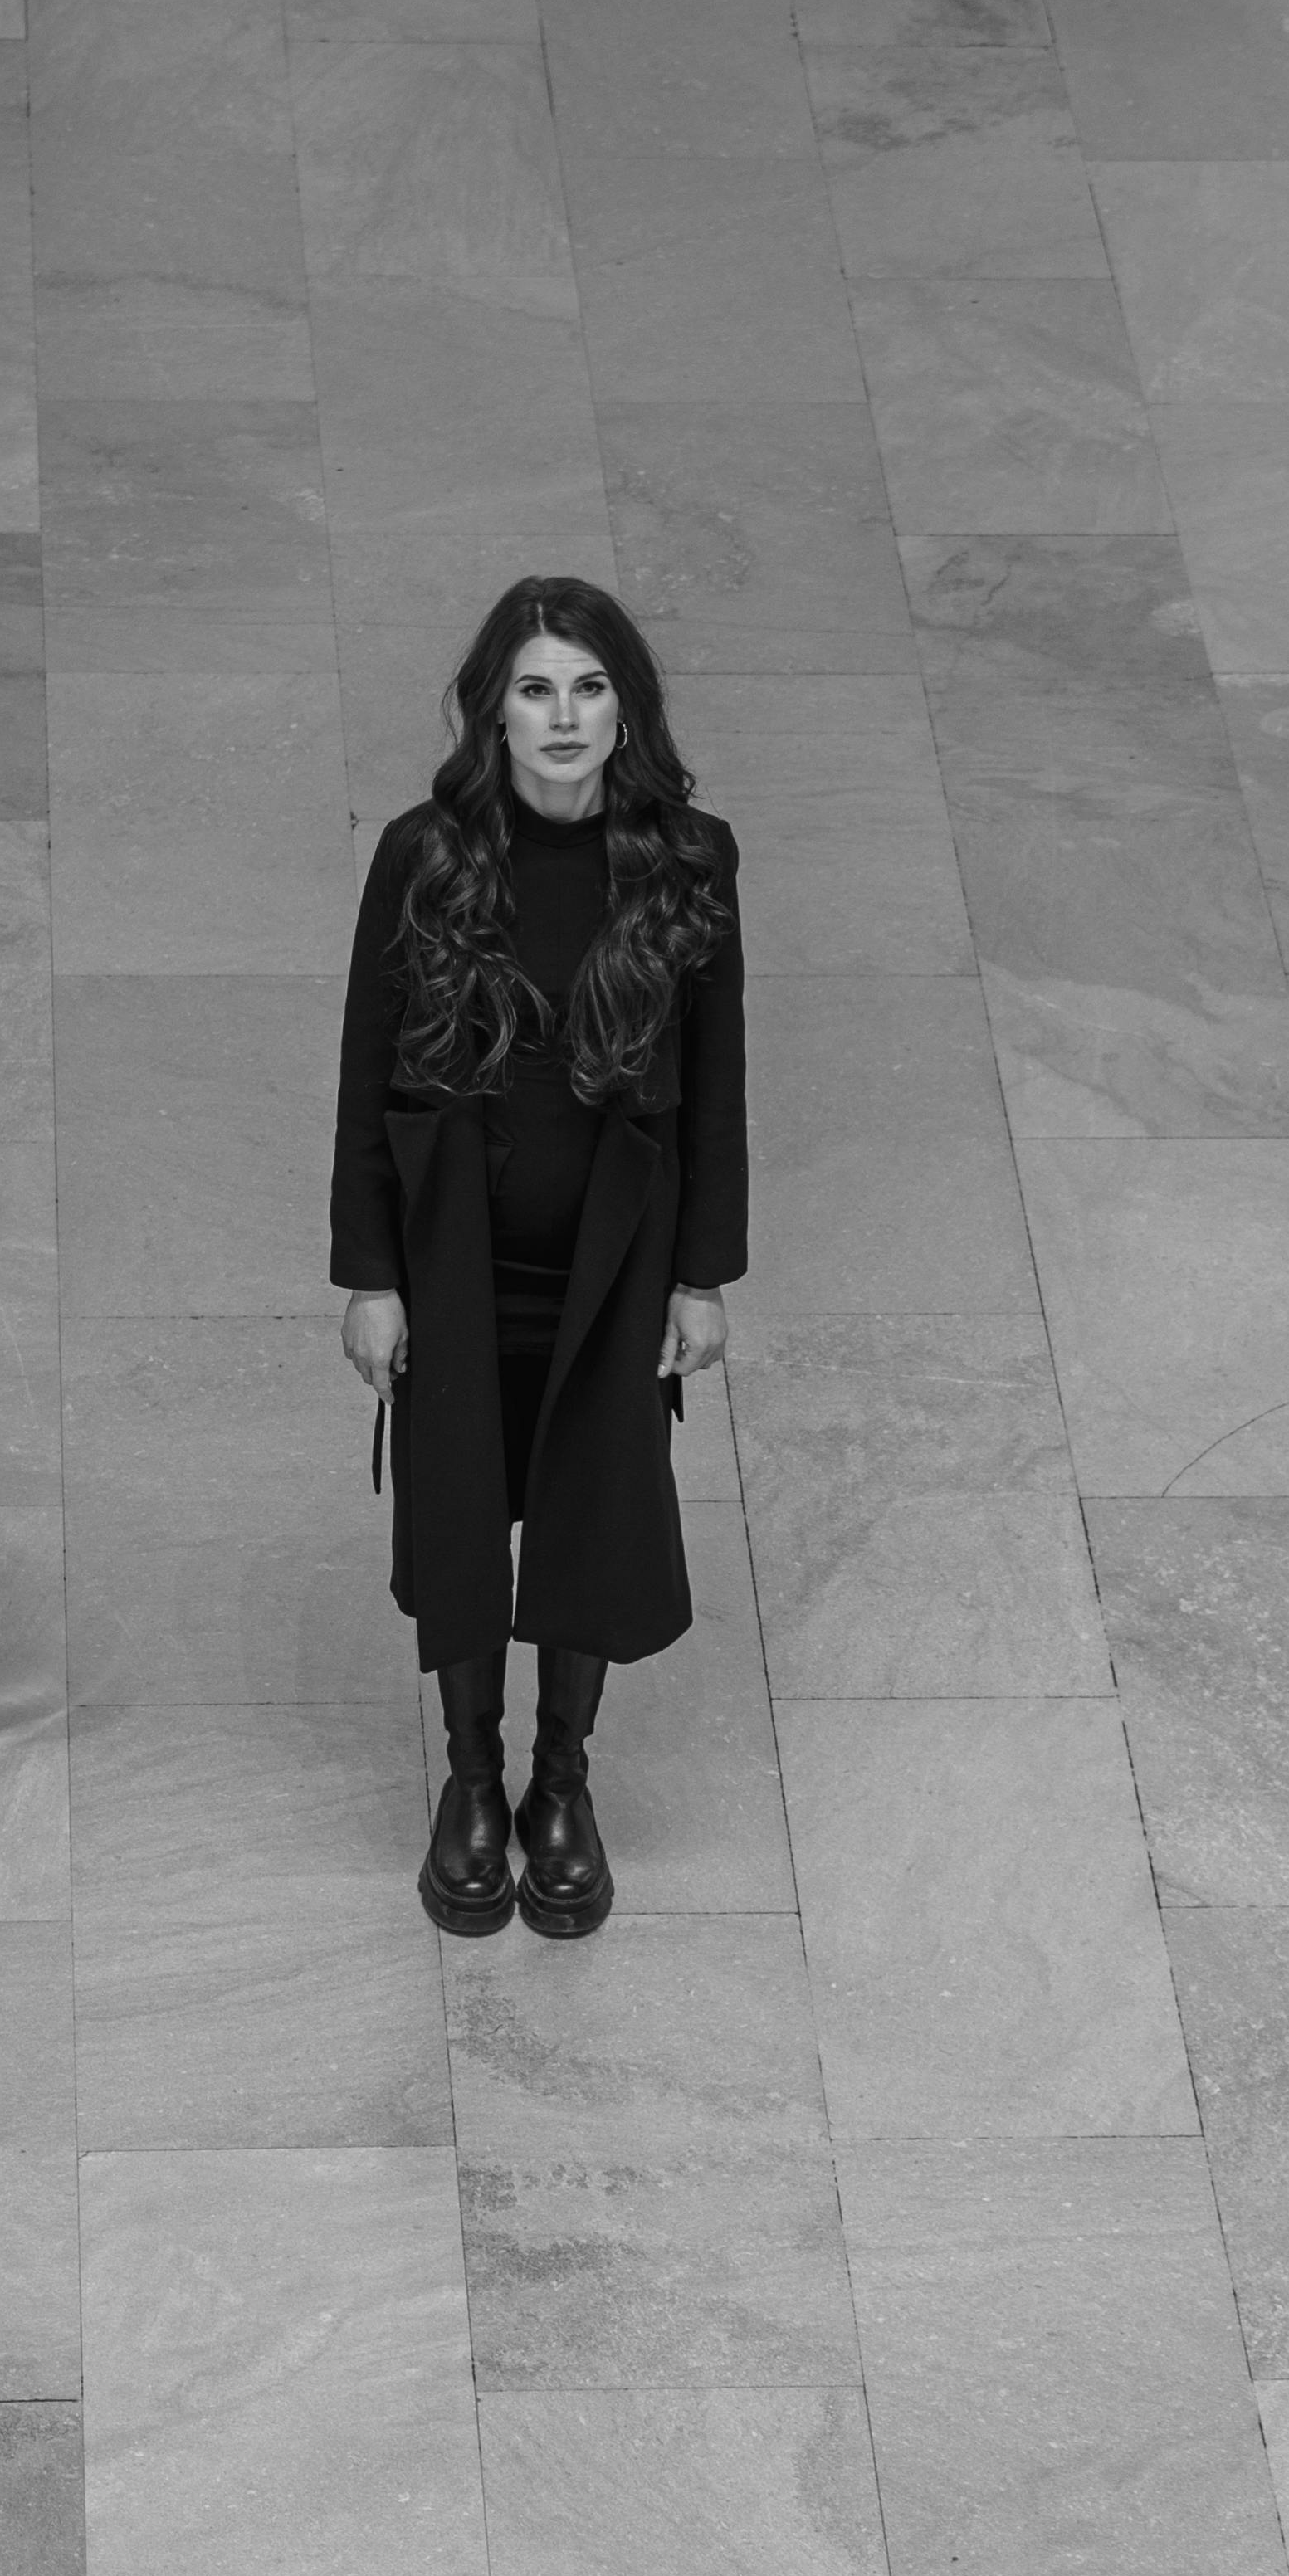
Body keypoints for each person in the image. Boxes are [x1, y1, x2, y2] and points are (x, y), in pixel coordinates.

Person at [332, 582, 746, 1942]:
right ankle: (469, 1782)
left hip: (612, 1270)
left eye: (586, 686)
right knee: (456, 1510)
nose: (562, 716)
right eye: (533, 687)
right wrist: (368, 1273)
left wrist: (704, 1273)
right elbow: (360, 1075)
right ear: (491, 707)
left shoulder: (687, 858)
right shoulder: (424, 855)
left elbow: (717, 1081)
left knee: (591, 1507)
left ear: (624, 703)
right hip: (456, 1261)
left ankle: (560, 1782)